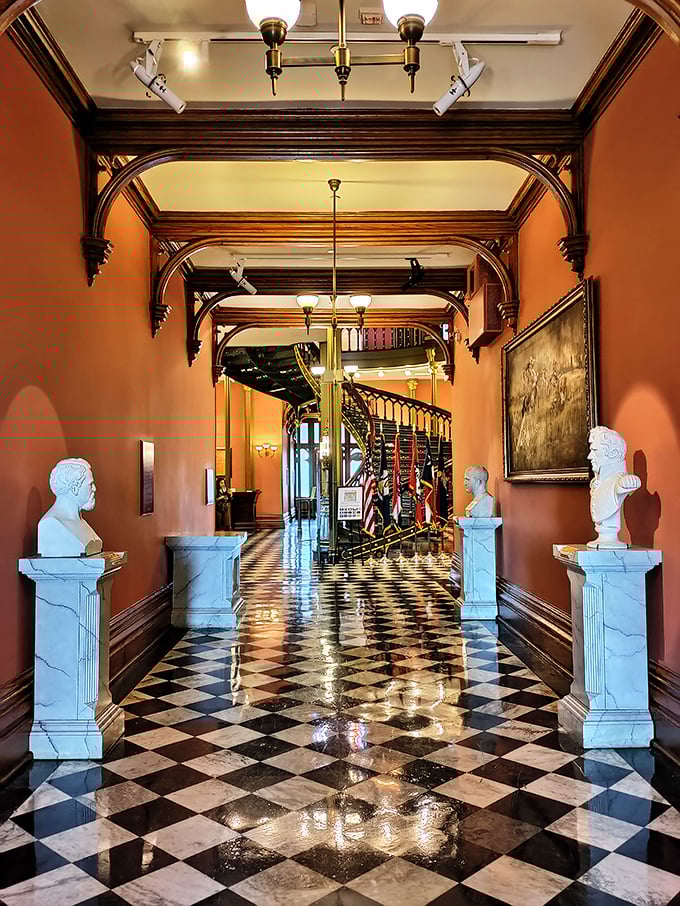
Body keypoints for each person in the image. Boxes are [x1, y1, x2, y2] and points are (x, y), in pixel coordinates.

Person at [587, 426, 640, 549]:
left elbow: (627, 483)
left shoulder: (619, 482)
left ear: (613, 454)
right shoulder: (597, 482)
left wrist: (628, 483)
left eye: (595, 451)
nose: (589, 456)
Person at [38, 458, 103, 556]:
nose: (94, 488)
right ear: (74, 488)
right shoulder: (50, 523)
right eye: (90, 484)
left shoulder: (80, 521)